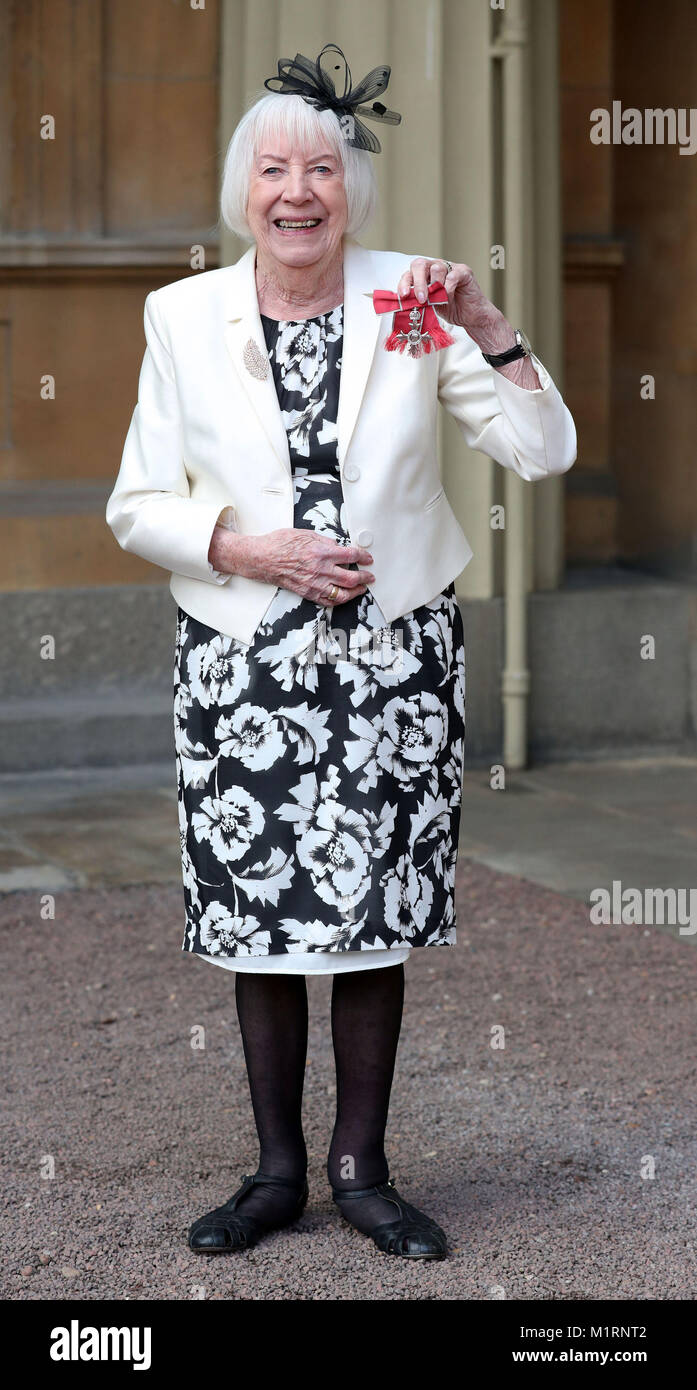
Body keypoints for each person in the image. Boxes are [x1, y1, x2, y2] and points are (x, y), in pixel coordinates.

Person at [106, 42, 576, 1261]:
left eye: (321, 168)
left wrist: (489, 325)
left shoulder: (409, 301)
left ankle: (362, 1172)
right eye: (274, 169)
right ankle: (273, 1173)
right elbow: (135, 503)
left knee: (372, 913)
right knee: (264, 915)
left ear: (349, 191)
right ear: (243, 187)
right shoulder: (180, 315)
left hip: (394, 657)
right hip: (243, 657)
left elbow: (543, 452)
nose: (298, 191)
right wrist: (253, 552)